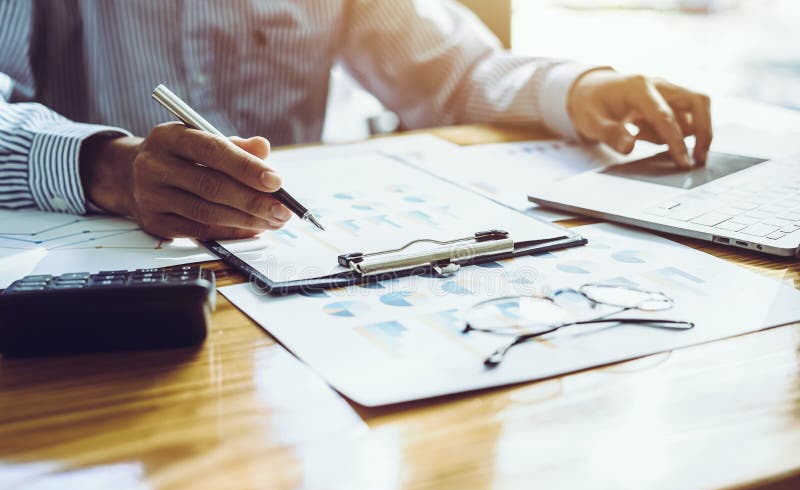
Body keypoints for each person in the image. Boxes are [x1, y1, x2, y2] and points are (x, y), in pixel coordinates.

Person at [0, 0, 712, 240]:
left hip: (281, 267)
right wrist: (107, 167)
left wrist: (582, 88)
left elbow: (454, 70)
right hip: (109, 273)